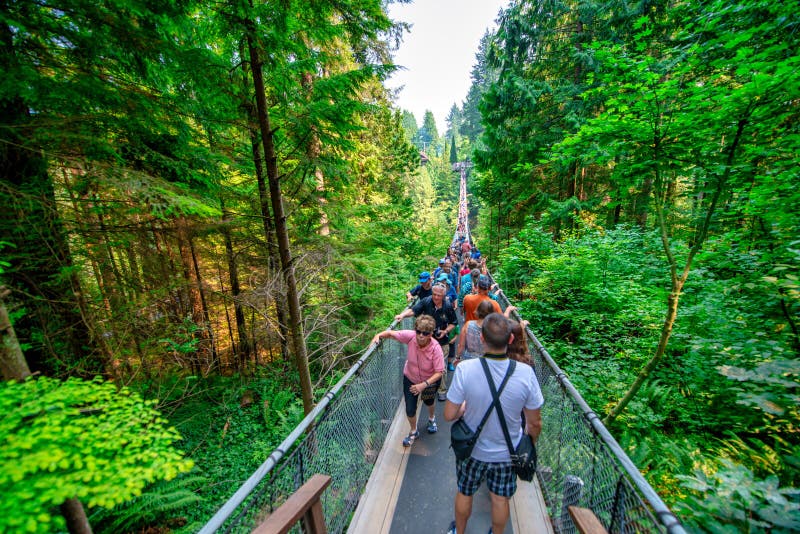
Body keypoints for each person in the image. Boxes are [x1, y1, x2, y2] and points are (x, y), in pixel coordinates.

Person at [444, 313, 544, 534]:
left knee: (465, 491)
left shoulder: (465, 369)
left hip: (473, 450)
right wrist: (529, 444)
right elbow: (534, 423)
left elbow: (449, 414)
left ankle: (459, 531)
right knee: (500, 499)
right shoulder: (526, 374)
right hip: (508, 452)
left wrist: (465, 408)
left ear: (481, 338)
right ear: (510, 340)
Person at [372, 315, 444, 446]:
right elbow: (390, 333)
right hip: (410, 378)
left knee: (429, 401)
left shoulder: (436, 348)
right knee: (410, 409)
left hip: (429, 381)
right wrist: (377, 336)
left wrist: (423, 385)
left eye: (425, 333)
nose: (421, 336)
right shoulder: (410, 336)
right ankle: (413, 431)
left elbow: (439, 372)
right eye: (418, 332)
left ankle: (431, 418)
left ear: (431, 334)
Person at [396, 283, 458, 401]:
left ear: (443, 295)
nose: (435, 297)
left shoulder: (448, 306)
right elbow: (414, 310)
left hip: (442, 341)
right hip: (426, 341)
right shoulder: (426, 301)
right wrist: (402, 315)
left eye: (438, 295)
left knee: (441, 368)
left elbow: (453, 323)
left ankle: (441, 390)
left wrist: (445, 331)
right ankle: (426, 386)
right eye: (434, 294)